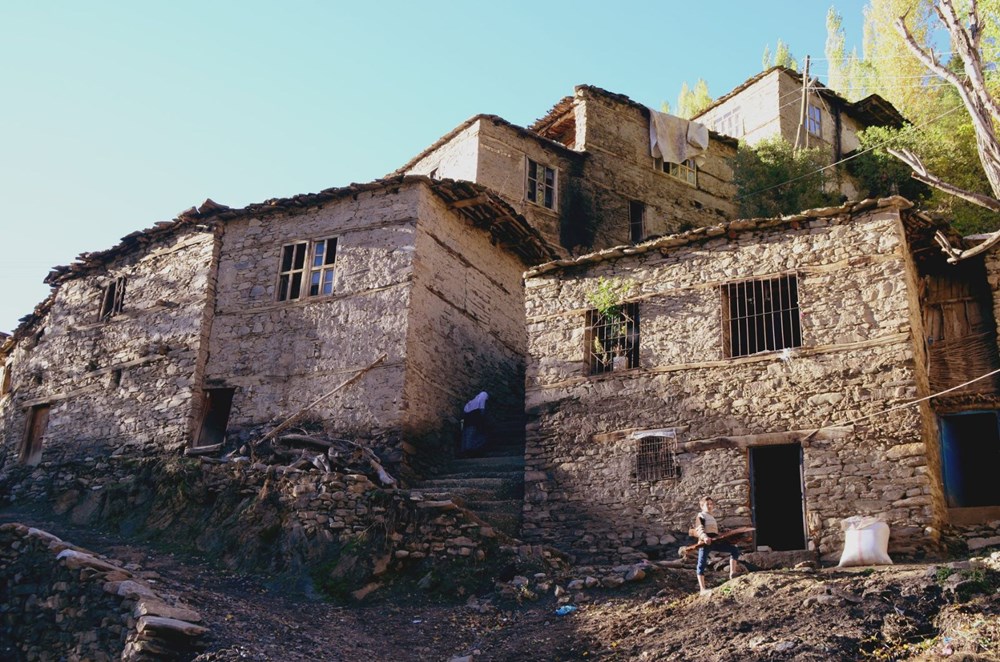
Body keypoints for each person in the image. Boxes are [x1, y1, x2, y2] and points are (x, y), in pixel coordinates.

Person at [693, 495, 742, 594]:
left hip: (715, 541)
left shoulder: (712, 517)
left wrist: (725, 531)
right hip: (705, 543)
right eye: (707, 504)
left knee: (734, 550)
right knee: (701, 564)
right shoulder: (700, 516)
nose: (710, 506)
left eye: (711, 504)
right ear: (702, 506)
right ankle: (702, 589)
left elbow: (716, 530)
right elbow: (699, 528)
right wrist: (705, 537)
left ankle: (732, 573)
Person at [460, 391, 489, 457]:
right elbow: (482, 411)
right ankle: (470, 452)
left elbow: (464, 413)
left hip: (467, 422)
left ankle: (464, 452)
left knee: (466, 438)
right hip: (474, 423)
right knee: (474, 438)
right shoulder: (482, 399)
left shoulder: (470, 403)